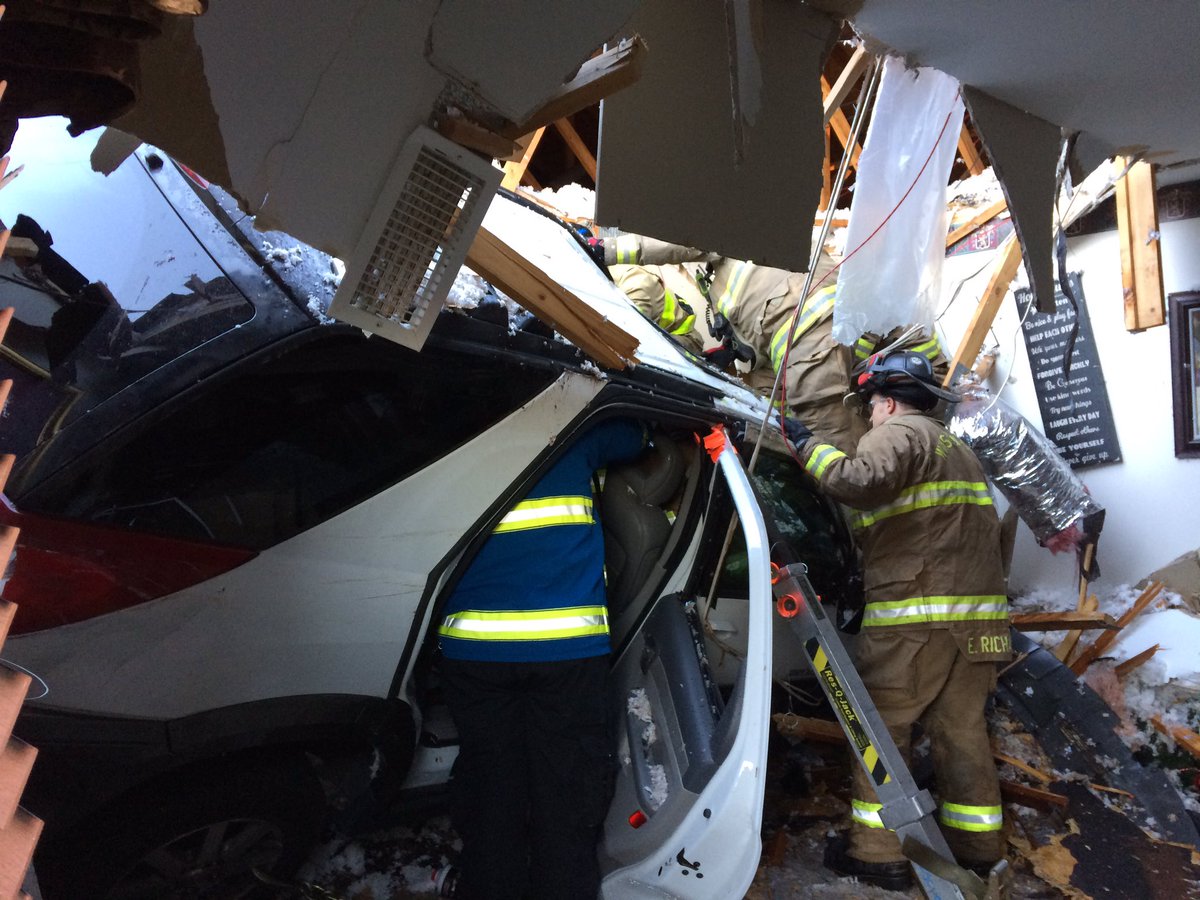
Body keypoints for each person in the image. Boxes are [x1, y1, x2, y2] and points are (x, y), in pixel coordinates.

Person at [788, 350, 1010, 890]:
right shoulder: (956, 450)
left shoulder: (900, 433)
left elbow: (856, 480)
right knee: (961, 736)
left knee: (878, 730)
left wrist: (803, 443)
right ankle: (978, 852)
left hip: (916, 623)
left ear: (887, 401)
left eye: (870, 407)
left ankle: (876, 851)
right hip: (975, 626)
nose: (868, 417)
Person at [435, 418, 647, 900]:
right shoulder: (570, 428)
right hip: (567, 652)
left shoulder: (447, 443)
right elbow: (635, 435)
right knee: (567, 788)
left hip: (474, 651)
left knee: (490, 786)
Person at [604, 232, 946, 455]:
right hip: (842, 321)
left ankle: (872, 527)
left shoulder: (717, 213)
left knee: (839, 451)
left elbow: (685, 238)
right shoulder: (759, 227)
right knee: (783, 423)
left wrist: (605, 250)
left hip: (806, 334)